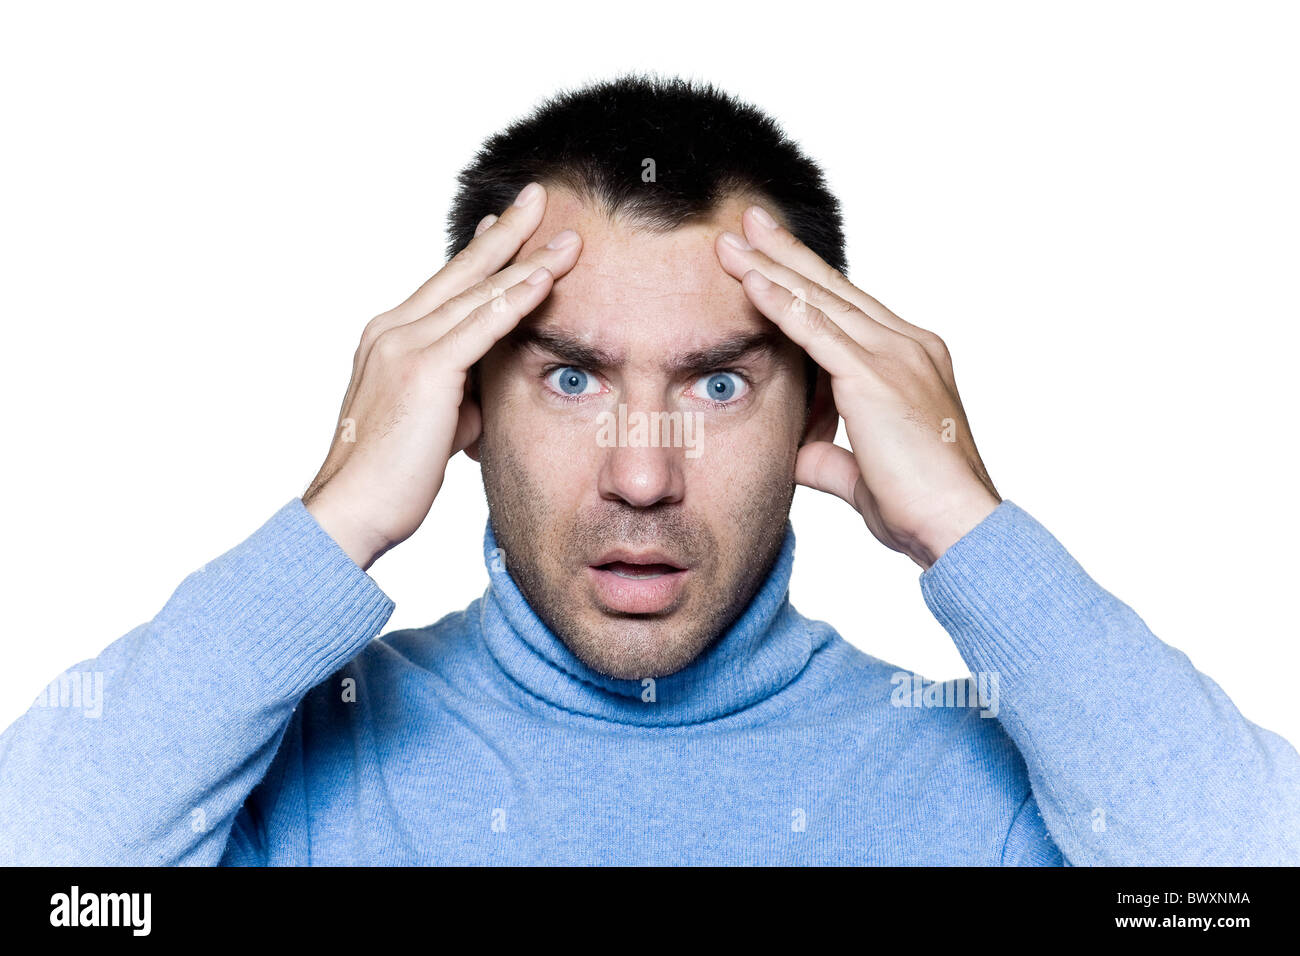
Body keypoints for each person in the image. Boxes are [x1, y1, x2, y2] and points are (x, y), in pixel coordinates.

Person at [3, 75, 1297, 865]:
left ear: (823, 409)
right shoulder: (279, 764)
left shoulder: (994, 775)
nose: (640, 476)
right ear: (457, 402)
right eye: (570, 378)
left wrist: (971, 529)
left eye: (717, 383)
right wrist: (331, 523)